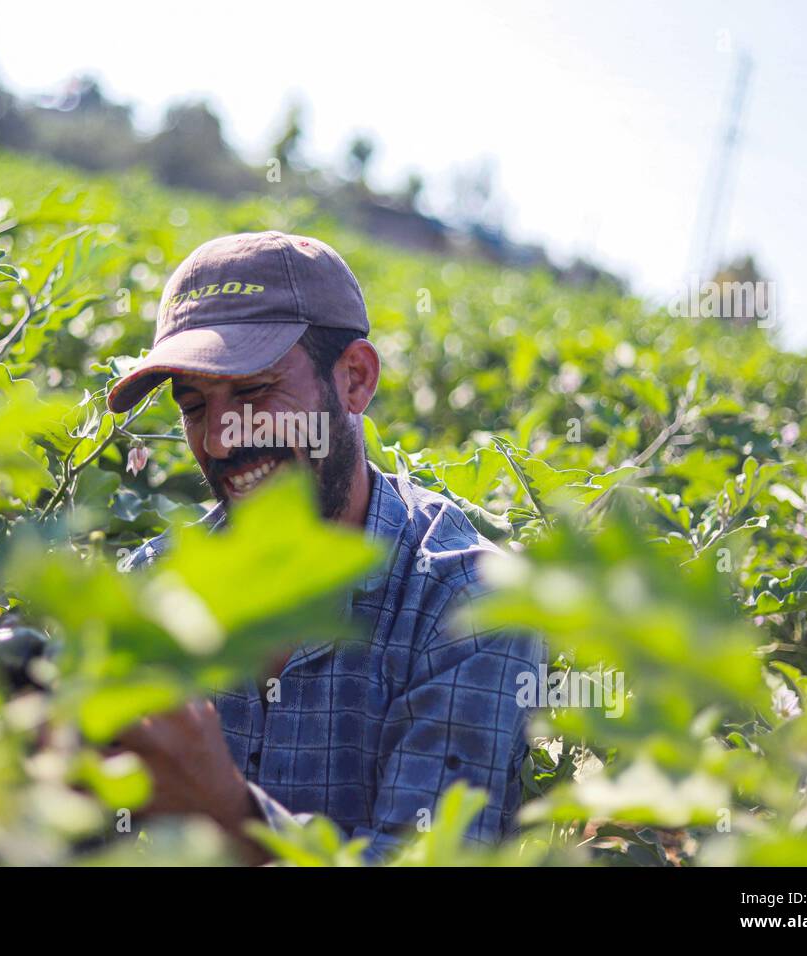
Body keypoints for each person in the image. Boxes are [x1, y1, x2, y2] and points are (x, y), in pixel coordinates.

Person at [107, 231, 544, 863]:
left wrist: (229, 811)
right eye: (195, 406)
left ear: (355, 380)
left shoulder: (468, 604)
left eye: (254, 392)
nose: (223, 441)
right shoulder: (152, 587)